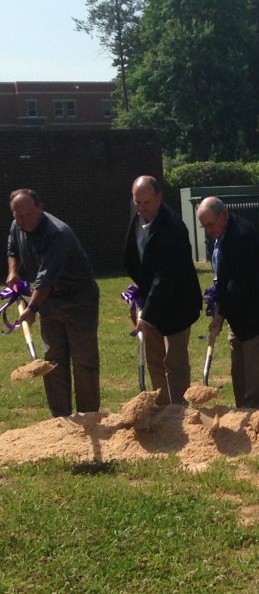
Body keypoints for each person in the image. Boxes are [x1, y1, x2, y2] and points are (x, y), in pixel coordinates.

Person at [6, 189, 100, 417]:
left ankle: (88, 416)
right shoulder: (17, 225)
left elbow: (45, 279)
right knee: (53, 360)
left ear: (40, 207)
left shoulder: (57, 233)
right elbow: (12, 248)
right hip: (49, 301)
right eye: (18, 216)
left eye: (28, 214)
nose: (23, 221)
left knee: (83, 359)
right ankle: (60, 419)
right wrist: (12, 272)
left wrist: (31, 309)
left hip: (78, 298)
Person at [123, 176, 201, 405]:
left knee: (174, 362)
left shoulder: (173, 228)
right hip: (152, 297)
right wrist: (140, 299)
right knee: (154, 358)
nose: (141, 207)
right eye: (137, 202)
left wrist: (145, 314)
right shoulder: (137, 214)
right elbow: (138, 261)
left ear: (159, 198)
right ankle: (162, 405)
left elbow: (165, 277)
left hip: (177, 302)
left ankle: (179, 408)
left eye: (146, 202)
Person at [196, 197, 259, 409]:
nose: (207, 230)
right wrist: (219, 309)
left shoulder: (243, 235)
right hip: (237, 314)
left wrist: (221, 313)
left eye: (210, 224)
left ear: (223, 215)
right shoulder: (222, 233)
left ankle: (253, 419)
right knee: (239, 374)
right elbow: (224, 278)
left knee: (252, 379)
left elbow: (238, 283)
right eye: (203, 226)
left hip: (256, 315)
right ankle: (242, 414)